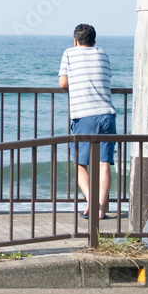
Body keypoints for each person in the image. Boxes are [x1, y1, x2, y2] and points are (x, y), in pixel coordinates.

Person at [58, 23, 116, 219]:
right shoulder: (103, 54)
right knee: (104, 163)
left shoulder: (69, 53)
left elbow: (63, 83)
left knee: (80, 164)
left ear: (75, 41)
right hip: (107, 114)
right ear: (94, 42)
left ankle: (92, 203)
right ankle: (100, 208)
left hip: (84, 115)